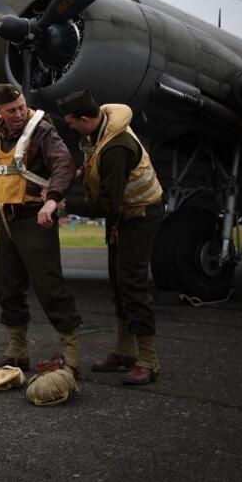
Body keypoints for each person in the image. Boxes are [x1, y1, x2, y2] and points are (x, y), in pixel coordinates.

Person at [57, 89, 164, 385]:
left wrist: (66, 206)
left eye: (72, 122)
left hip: (140, 215)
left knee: (132, 283)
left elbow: (107, 204)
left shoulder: (117, 147)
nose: (70, 126)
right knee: (118, 283)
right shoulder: (99, 131)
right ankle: (125, 351)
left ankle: (148, 361)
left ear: (86, 118)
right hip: (123, 216)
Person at [0, 84, 82, 374]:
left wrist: (53, 200)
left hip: (36, 217)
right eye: (12, 110)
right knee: (6, 286)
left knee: (50, 287)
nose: (20, 113)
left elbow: (64, 164)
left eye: (22, 106)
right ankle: (17, 352)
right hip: (7, 220)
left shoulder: (42, 131)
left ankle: (71, 357)